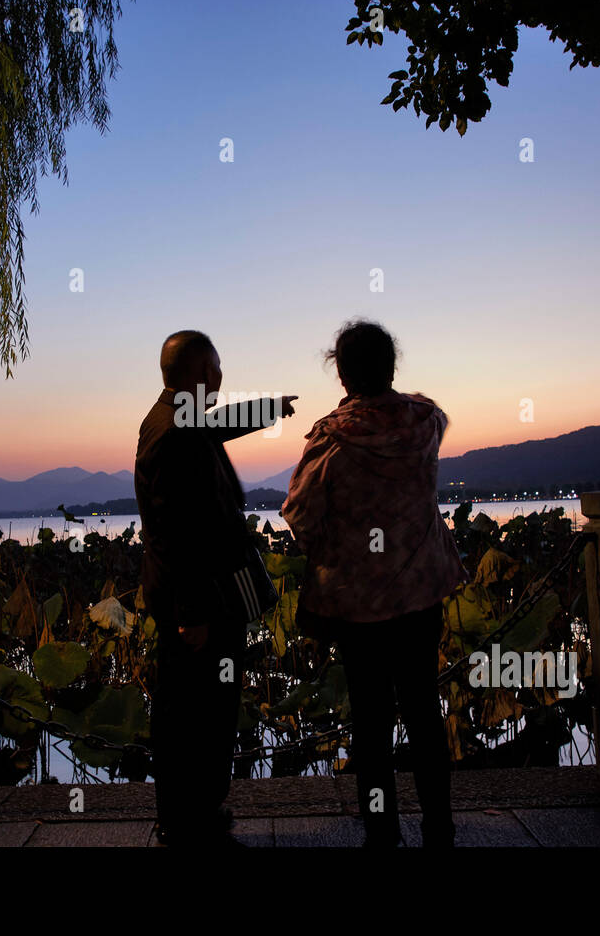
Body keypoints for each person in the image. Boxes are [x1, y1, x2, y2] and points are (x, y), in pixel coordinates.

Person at [280, 319, 466, 848]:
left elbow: (299, 514)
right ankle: (440, 825)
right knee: (424, 711)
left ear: (340, 373)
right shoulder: (426, 421)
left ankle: (383, 832)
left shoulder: (334, 437)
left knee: (372, 719)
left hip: (361, 603)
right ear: (392, 365)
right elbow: (434, 412)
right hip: (422, 591)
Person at [134, 329, 297, 846]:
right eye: (219, 366)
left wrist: (266, 409)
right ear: (202, 372)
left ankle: (195, 808)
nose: (223, 376)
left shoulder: (172, 417)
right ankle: (186, 818)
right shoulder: (176, 431)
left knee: (201, 706)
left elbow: (216, 428)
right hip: (198, 601)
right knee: (194, 710)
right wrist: (192, 612)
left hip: (200, 596)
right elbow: (175, 528)